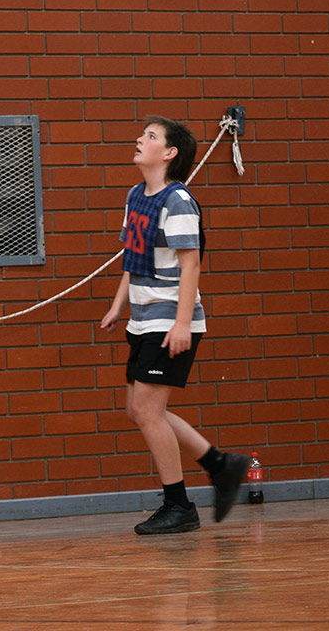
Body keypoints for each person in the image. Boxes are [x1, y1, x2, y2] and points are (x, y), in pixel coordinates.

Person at [98, 116, 249, 534]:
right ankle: (221, 464)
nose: (139, 139)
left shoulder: (178, 200)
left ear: (169, 153)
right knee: (141, 410)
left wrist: (183, 323)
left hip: (169, 319)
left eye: (150, 136)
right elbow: (133, 257)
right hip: (142, 319)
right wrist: (117, 305)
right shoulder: (135, 195)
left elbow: (191, 265)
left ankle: (179, 505)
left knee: (147, 410)